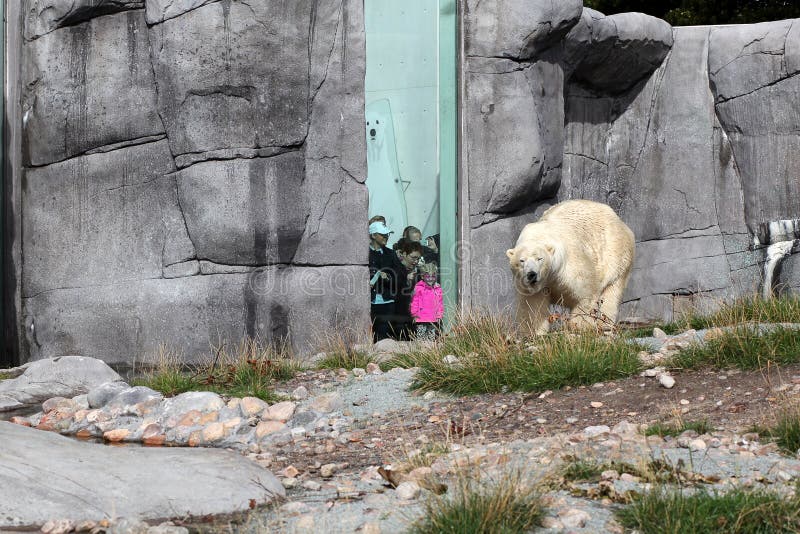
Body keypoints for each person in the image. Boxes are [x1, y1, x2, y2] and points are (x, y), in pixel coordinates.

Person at [368, 219, 403, 341]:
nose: (386, 237)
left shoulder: (391, 254)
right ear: (373, 235)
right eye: (383, 234)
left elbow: (400, 275)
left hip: (387, 302)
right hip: (369, 302)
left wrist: (388, 278)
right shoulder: (364, 254)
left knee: (384, 335)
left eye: (387, 234)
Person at [393, 239, 424, 338]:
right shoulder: (396, 269)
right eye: (413, 258)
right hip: (399, 316)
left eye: (418, 259)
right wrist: (406, 280)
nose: (415, 261)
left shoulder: (419, 272)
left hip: (415, 316)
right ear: (404, 254)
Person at [410, 262, 444, 341]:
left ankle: (429, 349)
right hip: (421, 317)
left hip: (432, 317)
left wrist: (439, 315)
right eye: (428, 276)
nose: (430, 279)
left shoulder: (437, 289)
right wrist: (414, 314)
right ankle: (421, 349)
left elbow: (440, 303)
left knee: (431, 338)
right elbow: (415, 302)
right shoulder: (419, 288)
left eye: (433, 276)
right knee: (421, 338)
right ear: (422, 276)